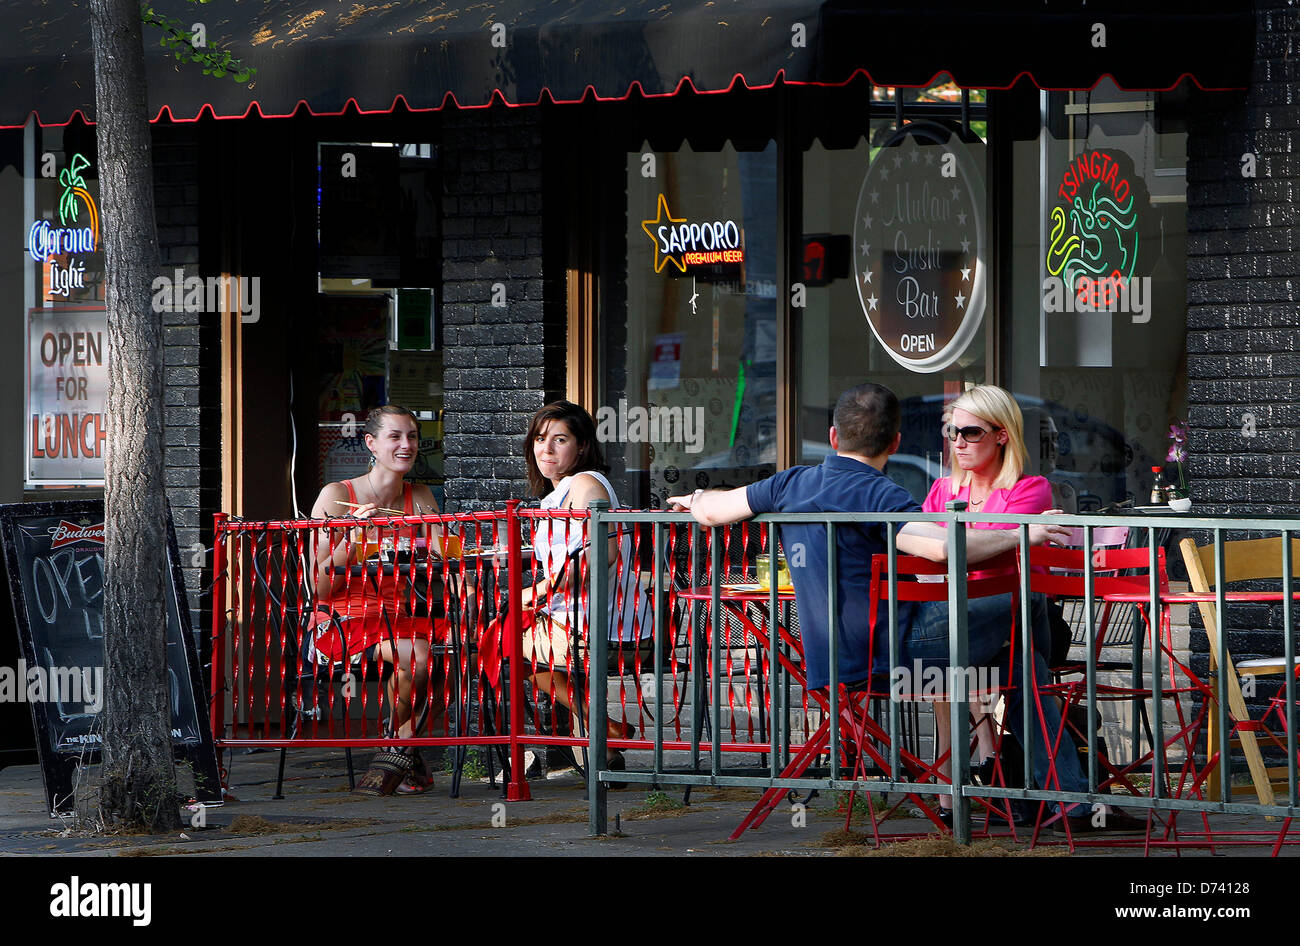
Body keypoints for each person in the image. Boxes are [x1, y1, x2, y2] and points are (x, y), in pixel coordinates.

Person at [669, 382, 1144, 834]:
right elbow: (943, 549)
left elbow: (713, 510)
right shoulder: (881, 495)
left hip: (828, 660)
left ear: (834, 437)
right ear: (895, 442)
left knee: (1023, 669)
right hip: (896, 653)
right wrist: (1024, 532)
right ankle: (1059, 794)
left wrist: (692, 498)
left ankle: (1066, 799)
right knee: (1027, 606)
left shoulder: (790, 483)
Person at [485, 401, 651, 776]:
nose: (547, 448)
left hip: (603, 625)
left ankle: (595, 733)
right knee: (508, 638)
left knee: (502, 643)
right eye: (540, 439)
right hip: (579, 618)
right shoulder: (558, 493)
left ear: (582, 447)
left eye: (560, 439)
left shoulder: (585, 483)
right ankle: (605, 735)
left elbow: (600, 552)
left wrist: (539, 590)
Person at [922, 385, 1052, 819]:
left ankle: (959, 787)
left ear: (1002, 435)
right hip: (960, 619)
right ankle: (967, 776)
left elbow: (976, 550)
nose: (958, 442)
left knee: (942, 664)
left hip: (1018, 623)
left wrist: (954, 543)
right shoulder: (942, 491)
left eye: (971, 432)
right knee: (942, 668)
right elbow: (924, 548)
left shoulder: (1029, 489)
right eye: (952, 432)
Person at [310, 404, 447, 794]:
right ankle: (402, 750)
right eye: (395, 436)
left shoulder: (420, 496)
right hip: (343, 620)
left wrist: (441, 556)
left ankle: (396, 746)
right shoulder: (338, 496)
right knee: (417, 656)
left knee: (459, 653)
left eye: (413, 436)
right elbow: (316, 587)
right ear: (370, 442)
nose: (407, 445)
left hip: (400, 617)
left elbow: (443, 562)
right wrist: (353, 539)